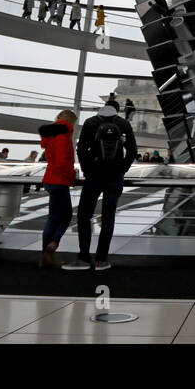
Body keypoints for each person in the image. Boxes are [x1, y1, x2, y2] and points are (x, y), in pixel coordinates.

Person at [68, 101, 136, 271]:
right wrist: (122, 168)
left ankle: (84, 258)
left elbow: (81, 149)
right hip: (115, 177)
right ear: (117, 110)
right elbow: (133, 150)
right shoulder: (123, 124)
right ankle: (101, 260)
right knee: (108, 217)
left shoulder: (90, 122)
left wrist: (88, 169)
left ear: (102, 107)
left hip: (94, 176)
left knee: (84, 215)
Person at [38, 109, 78, 268]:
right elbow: (62, 163)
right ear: (70, 122)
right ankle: (51, 248)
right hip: (59, 181)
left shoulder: (52, 135)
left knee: (54, 217)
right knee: (64, 216)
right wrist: (72, 176)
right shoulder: (63, 137)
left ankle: (46, 257)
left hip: (51, 179)